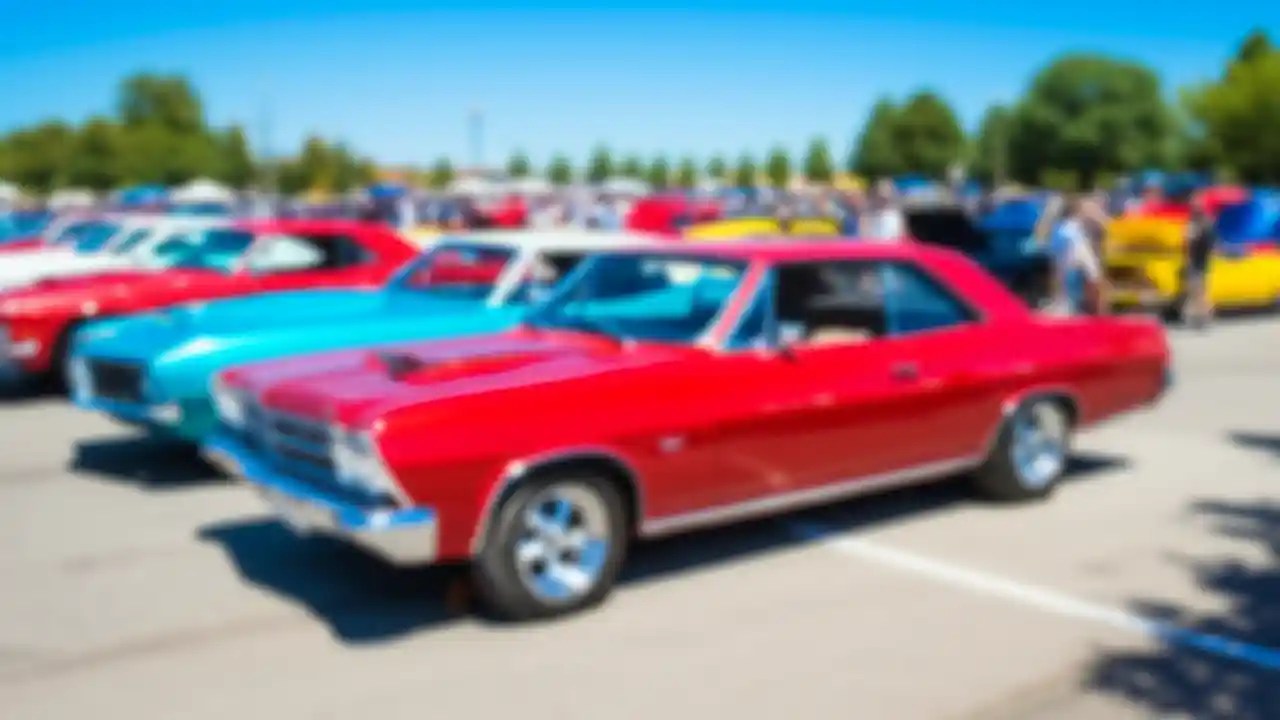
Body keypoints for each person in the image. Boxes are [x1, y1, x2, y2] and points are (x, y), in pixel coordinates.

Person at [1048, 196, 1105, 315]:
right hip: (1071, 296)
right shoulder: (1077, 235)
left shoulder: (1060, 228)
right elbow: (1093, 274)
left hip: (1060, 292)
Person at [1183, 199, 1218, 329]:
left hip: (1198, 262)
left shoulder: (1198, 224)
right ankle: (1202, 317)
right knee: (1198, 291)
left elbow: (1190, 244)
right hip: (1200, 262)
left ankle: (1202, 317)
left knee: (1197, 291)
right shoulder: (1203, 223)